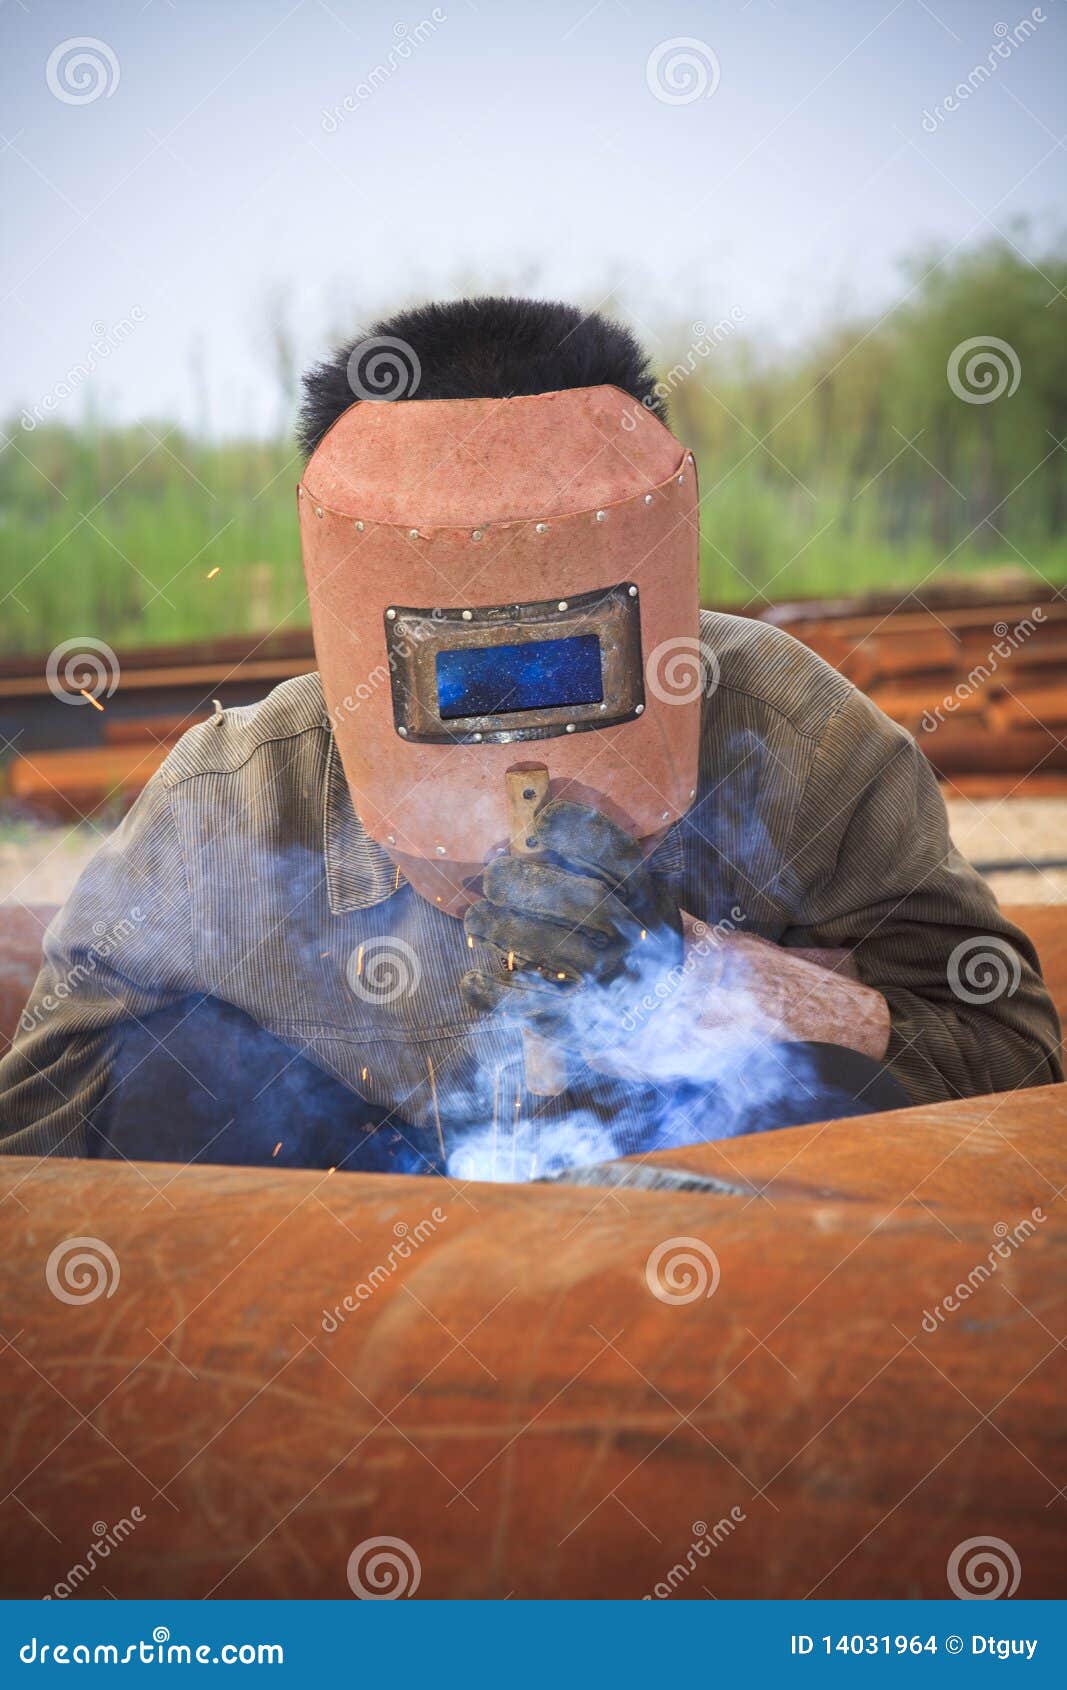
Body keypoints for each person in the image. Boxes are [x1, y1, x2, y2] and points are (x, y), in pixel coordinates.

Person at [0, 297, 1060, 1179]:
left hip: (710, 1280)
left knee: (834, 1092)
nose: (523, 769)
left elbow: (1016, 1070)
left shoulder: (801, 737)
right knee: (160, 1075)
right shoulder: (230, 799)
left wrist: (704, 983)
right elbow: (34, 1148)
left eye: (563, 666)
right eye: (466, 678)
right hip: (361, 1289)